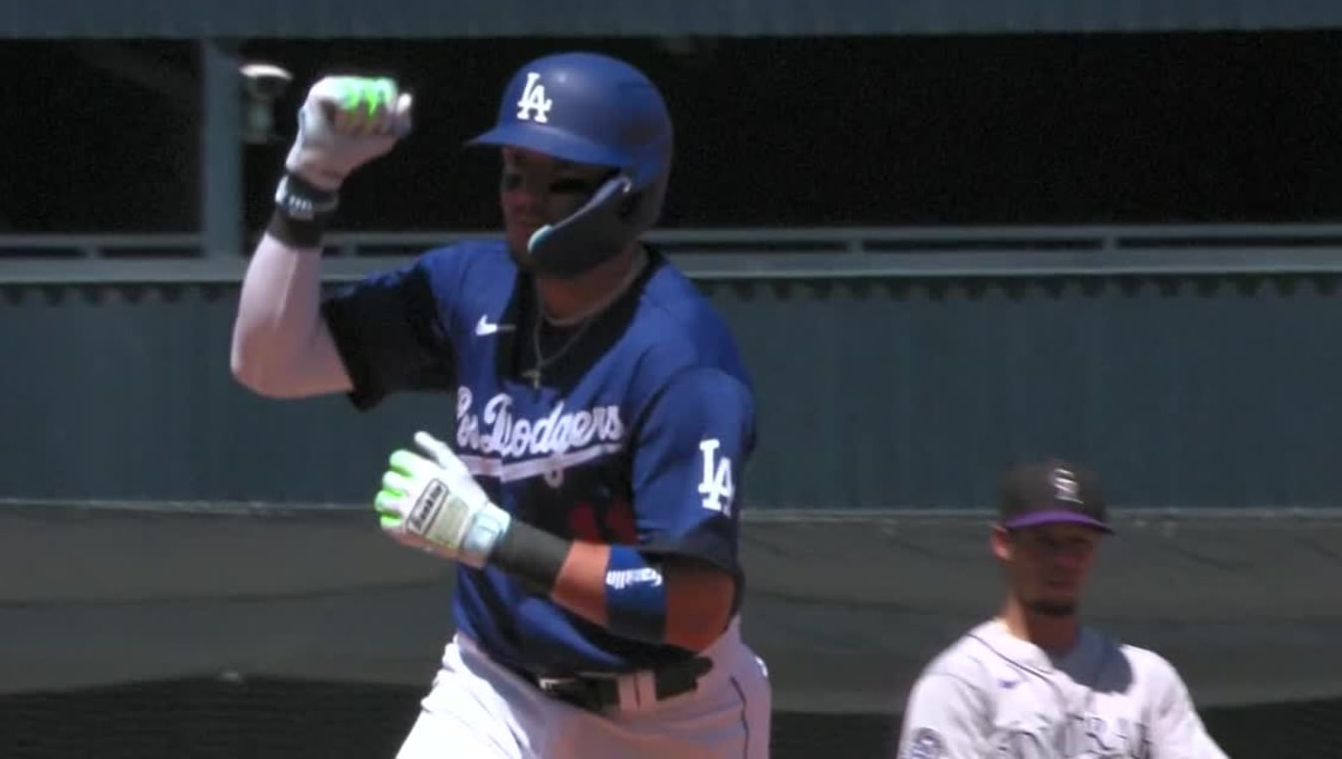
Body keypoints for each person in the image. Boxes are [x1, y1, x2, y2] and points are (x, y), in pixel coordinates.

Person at [230, 51, 772, 758]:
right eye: (515, 170)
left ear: (630, 195)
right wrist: (310, 181)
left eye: (559, 179)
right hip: (495, 691)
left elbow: (695, 609)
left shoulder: (678, 357)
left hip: (669, 718)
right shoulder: (473, 288)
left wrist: (493, 538)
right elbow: (270, 362)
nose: (523, 196)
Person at [894, 459, 1229, 758]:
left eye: (1078, 544)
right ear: (1003, 543)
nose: (1063, 560)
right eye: (1045, 542)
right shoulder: (961, 681)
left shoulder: (1145, 679)